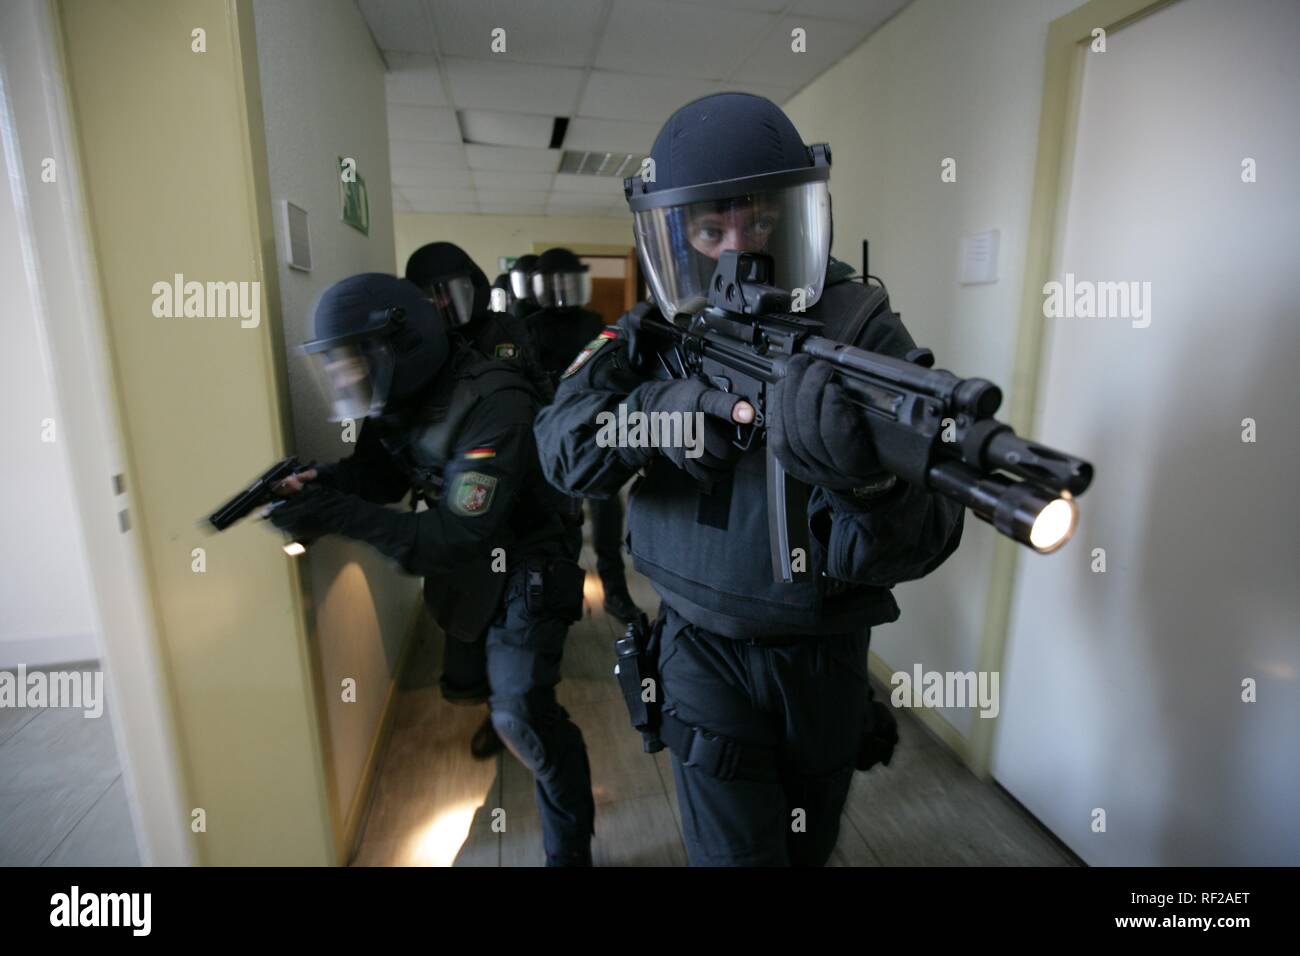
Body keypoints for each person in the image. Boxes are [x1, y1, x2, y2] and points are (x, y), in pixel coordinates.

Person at [534, 93, 964, 866]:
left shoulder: (858, 328)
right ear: (676, 236)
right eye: (710, 228)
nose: (740, 248)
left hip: (825, 650)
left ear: (794, 215)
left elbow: (929, 531)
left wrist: (863, 485)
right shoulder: (652, 329)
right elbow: (561, 450)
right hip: (701, 644)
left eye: (759, 221)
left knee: (810, 840)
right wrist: (659, 414)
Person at [272, 273, 595, 866]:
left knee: (524, 715)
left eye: (351, 361)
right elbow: (382, 476)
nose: (345, 377)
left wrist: (339, 513)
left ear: (402, 345)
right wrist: (325, 481)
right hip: (471, 559)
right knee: (475, 691)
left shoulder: (498, 402)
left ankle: (570, 851)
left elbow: (448, 536)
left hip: (528, 562)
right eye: (336, 365)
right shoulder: (398, 392)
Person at [527, 247, 642, 624]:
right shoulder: (530, 326)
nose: (561, 291)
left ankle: (615, 591)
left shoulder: (593, 321)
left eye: (568, 280)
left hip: (594, 430)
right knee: (557, 525)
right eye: (553, 282)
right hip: (556, 438)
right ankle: (559, 596)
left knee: (607, 515)